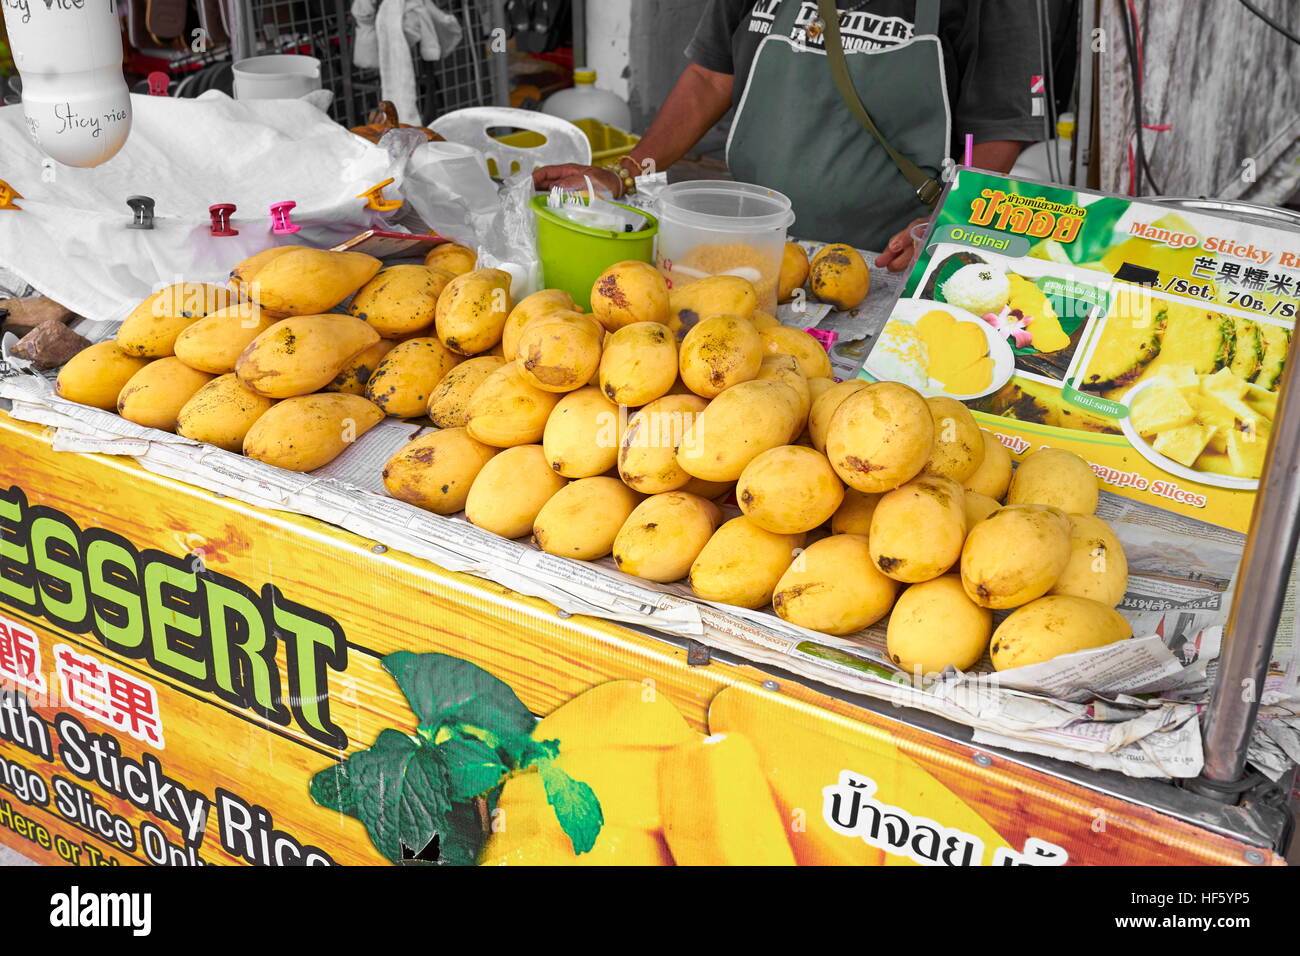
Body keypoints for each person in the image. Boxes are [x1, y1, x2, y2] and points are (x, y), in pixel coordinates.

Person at [534, 0, 1061, 271]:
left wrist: (944, 224)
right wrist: (625, 173)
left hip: (882, 268)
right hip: (751, 256)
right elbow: (709, 76)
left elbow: (995, 128)